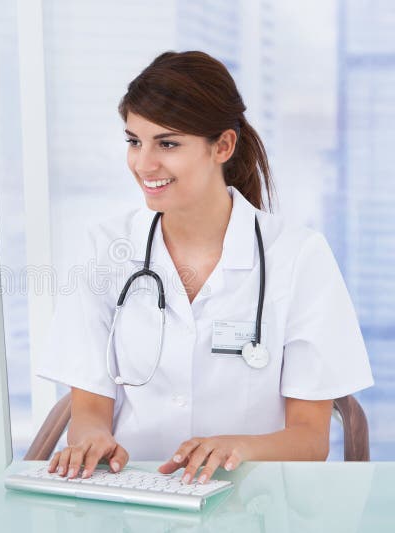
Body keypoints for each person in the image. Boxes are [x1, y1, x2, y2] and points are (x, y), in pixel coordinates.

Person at [35, 51, 374, 486]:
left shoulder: (298, 256)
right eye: (135, 141)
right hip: (132, 497)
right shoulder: (105, 248)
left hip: (253, 501)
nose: (144, 164)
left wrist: (241, 447)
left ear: (223, 146)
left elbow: (310, 440)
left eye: (168, 144)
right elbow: (88, 412)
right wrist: (94, 439)